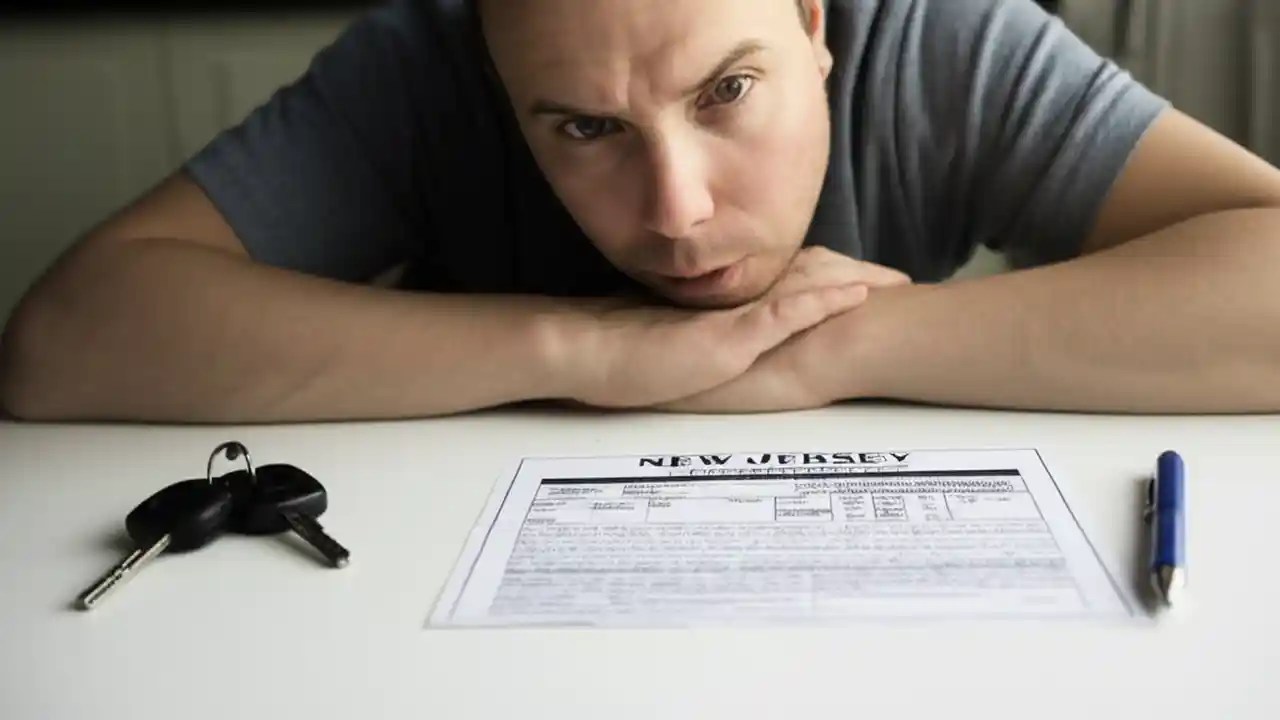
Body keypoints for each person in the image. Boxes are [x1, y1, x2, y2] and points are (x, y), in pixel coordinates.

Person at [3, 0, 1280, 423]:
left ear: (810, 22)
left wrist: (825, 354)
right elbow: (67, 343)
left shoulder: (942, 35)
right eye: (583, 130)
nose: (674, 214)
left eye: (726, 91)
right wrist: (593, 349)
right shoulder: (425, 59)